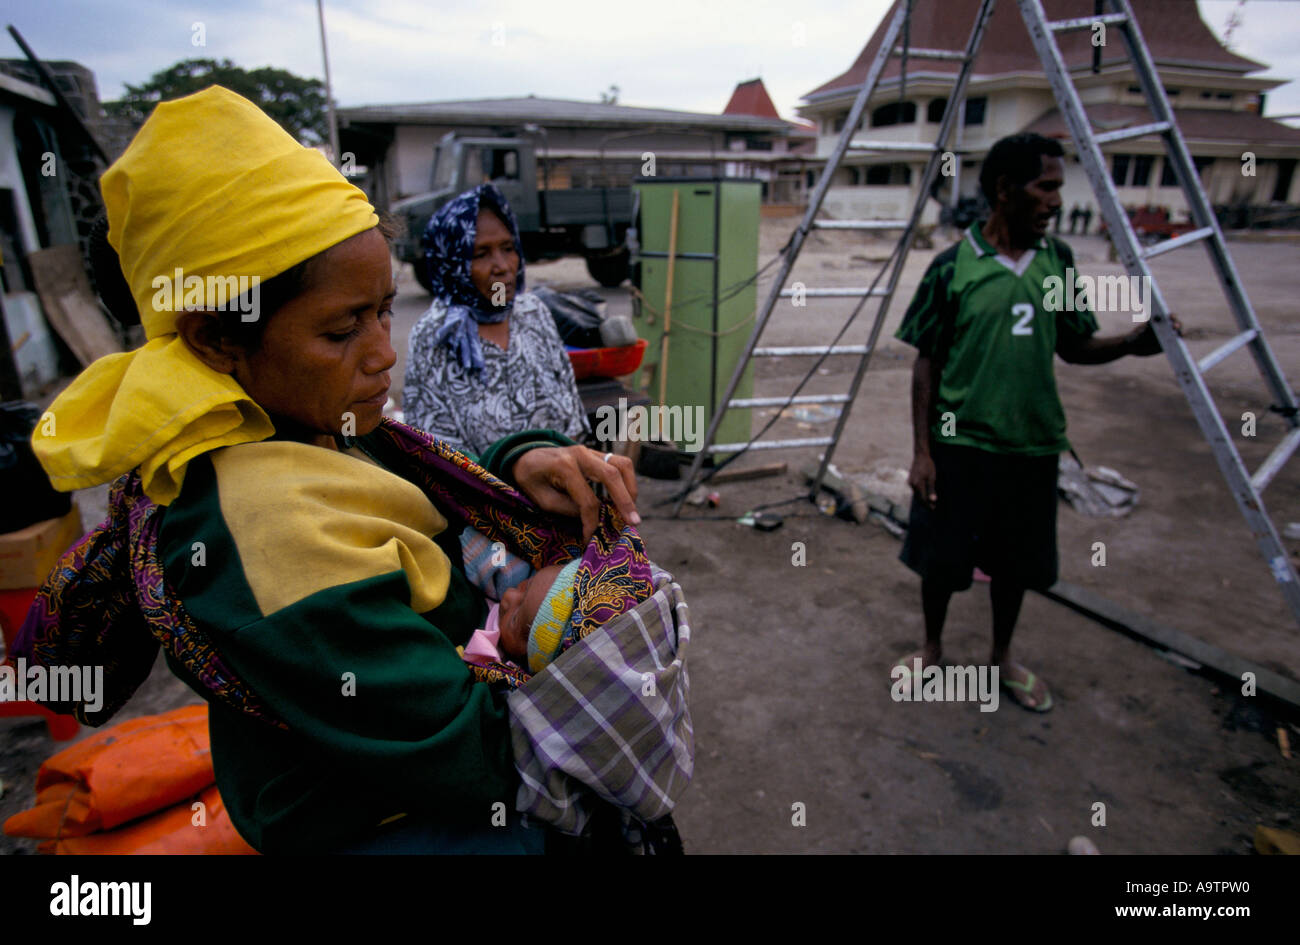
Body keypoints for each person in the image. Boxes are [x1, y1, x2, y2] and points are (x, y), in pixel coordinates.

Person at [19, 86, 653, 854]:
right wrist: (599, 669)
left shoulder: (303, 420)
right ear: (217, 338)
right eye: (342, 327)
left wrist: (519, 461)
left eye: (384, 309)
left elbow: (396, 482)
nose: (385, 349)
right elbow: (472, 753)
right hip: (397, 826)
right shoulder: (261, 521)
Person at [894, 132, 1180, 712]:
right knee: (942, 559)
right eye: (1045, 186)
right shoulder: (953, 268)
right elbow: (927, 361)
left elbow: (1075, 346)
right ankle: (930, 648)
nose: (1055, 200)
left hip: (1031, 448)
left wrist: (1131, 342)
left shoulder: (1058, 263)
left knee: (1014, 565)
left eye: (1059, 188)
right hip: (960, 446)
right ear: (1005, 190)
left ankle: (1001, 660)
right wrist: (923, 451)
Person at [403, 184, 590, 455]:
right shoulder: (437, 335)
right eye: (481, 254)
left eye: (508, 248)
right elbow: (435, 459)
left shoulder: (533, 313)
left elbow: (572, 414)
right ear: (453, 264)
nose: (502, 266)